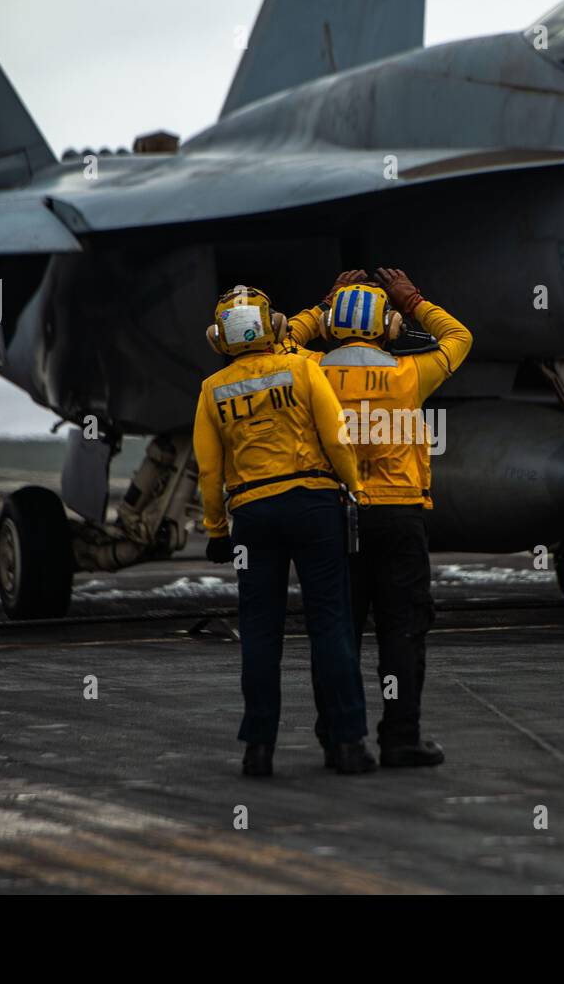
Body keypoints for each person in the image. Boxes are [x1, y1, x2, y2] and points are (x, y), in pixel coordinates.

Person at [288, 268, 472, 768]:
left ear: (332, 325)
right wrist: (413, 300)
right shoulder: (408, 375)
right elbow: (459, 336)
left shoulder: (310, 371)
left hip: (332, 517)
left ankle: (342, 740)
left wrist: (321, 307)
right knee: (402, 630)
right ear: (386, 325)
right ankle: (401, 737)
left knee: (335, 629)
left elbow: (281, 338)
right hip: (398, 519)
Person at [193, 285, 375, 777]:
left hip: (252, 517)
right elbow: (336, 436)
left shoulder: (213, 391)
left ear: (220, 340)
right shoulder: (302, 368)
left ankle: (258, 749)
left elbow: (209, 472)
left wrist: (216, 530)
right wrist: (354, 487)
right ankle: (348, 745)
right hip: (315, 508)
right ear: (273, 326)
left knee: (259, 631)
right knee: (331, 624)